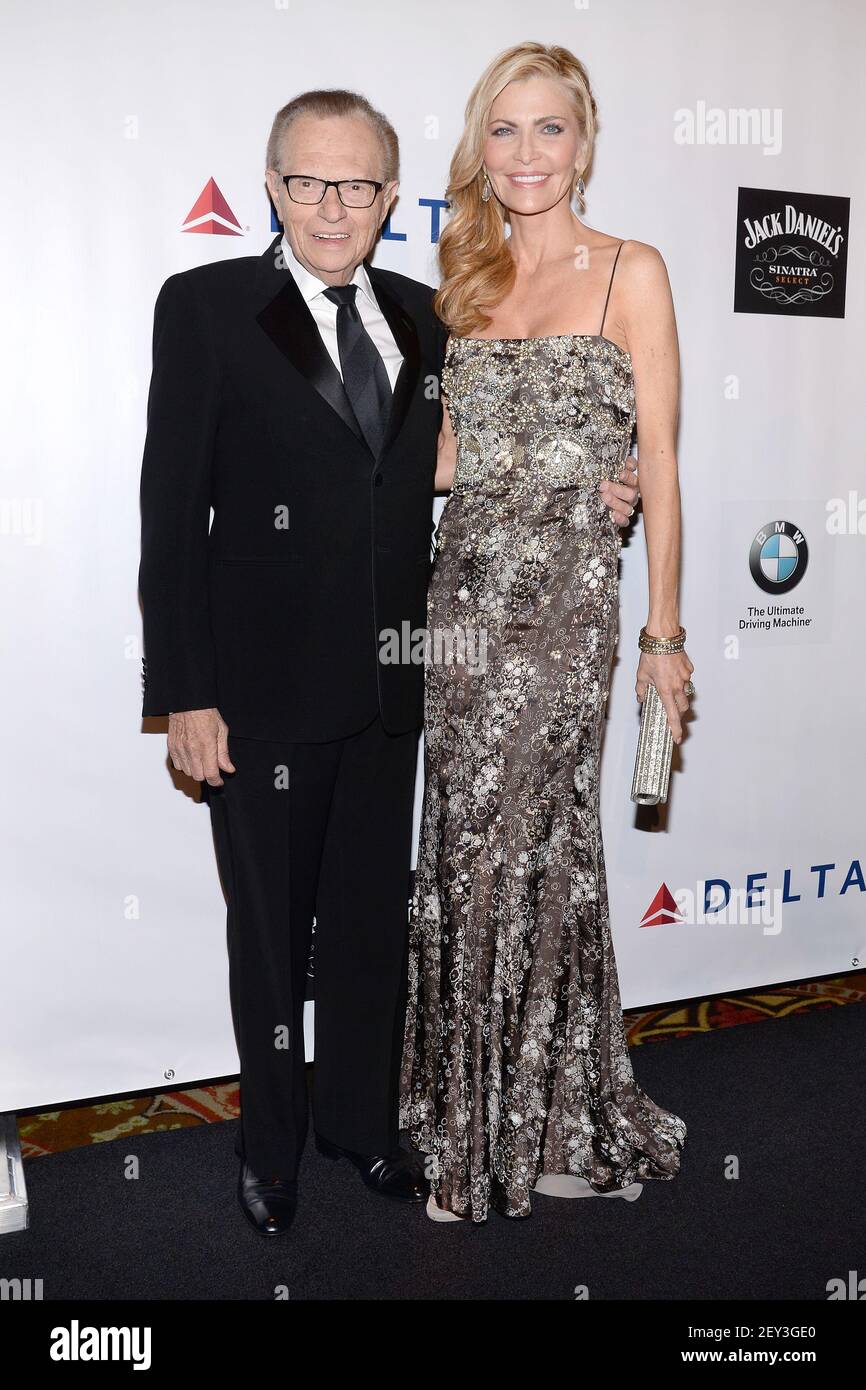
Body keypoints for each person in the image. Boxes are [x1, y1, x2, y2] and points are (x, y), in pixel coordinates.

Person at [139, 86, 641, 1238]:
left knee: (369, 932)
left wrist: (602, 484)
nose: (331, 205)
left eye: (357, 184)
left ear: (386, 196)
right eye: (308, 181)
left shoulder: (428, 317)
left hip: (392, 687)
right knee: (270, 946)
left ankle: (357, 1125)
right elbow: (169, 512)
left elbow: (485, 457)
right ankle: (268, 1151)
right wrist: (183, 693)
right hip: (256, 697)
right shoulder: (208, 306)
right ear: (271, 185)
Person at [400, 42, 691, 1223]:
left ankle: (521, 1128)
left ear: (584, 140)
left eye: (549, 129)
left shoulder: (631, 269)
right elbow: (445, 463)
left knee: (534, 840)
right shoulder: (455, 281)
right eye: (504, 131)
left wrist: (660, 638)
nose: (526, 154)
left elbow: (661, 461)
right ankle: (506, 1120)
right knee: (474, 849)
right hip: (461, 606)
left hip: (569, 611)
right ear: (482, 145)